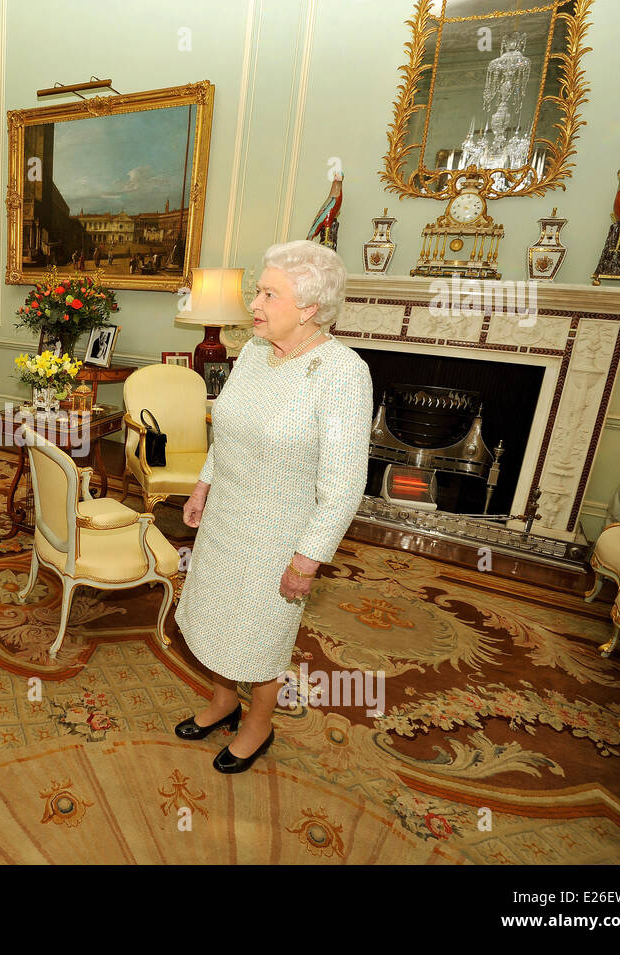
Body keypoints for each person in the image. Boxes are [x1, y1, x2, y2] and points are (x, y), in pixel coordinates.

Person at [172, 240, 372, 774]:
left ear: (309, 309)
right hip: (225, 519)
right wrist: (202, 487)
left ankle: (258, 723)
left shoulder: (342, 373)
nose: (253, 303)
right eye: (258, 290)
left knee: (259, 635)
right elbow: (227, 432)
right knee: (215, 618)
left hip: (279, 536)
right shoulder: (255, 353)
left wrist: (308, 561)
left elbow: (345, 484)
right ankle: (223, 701)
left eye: (268, 294)